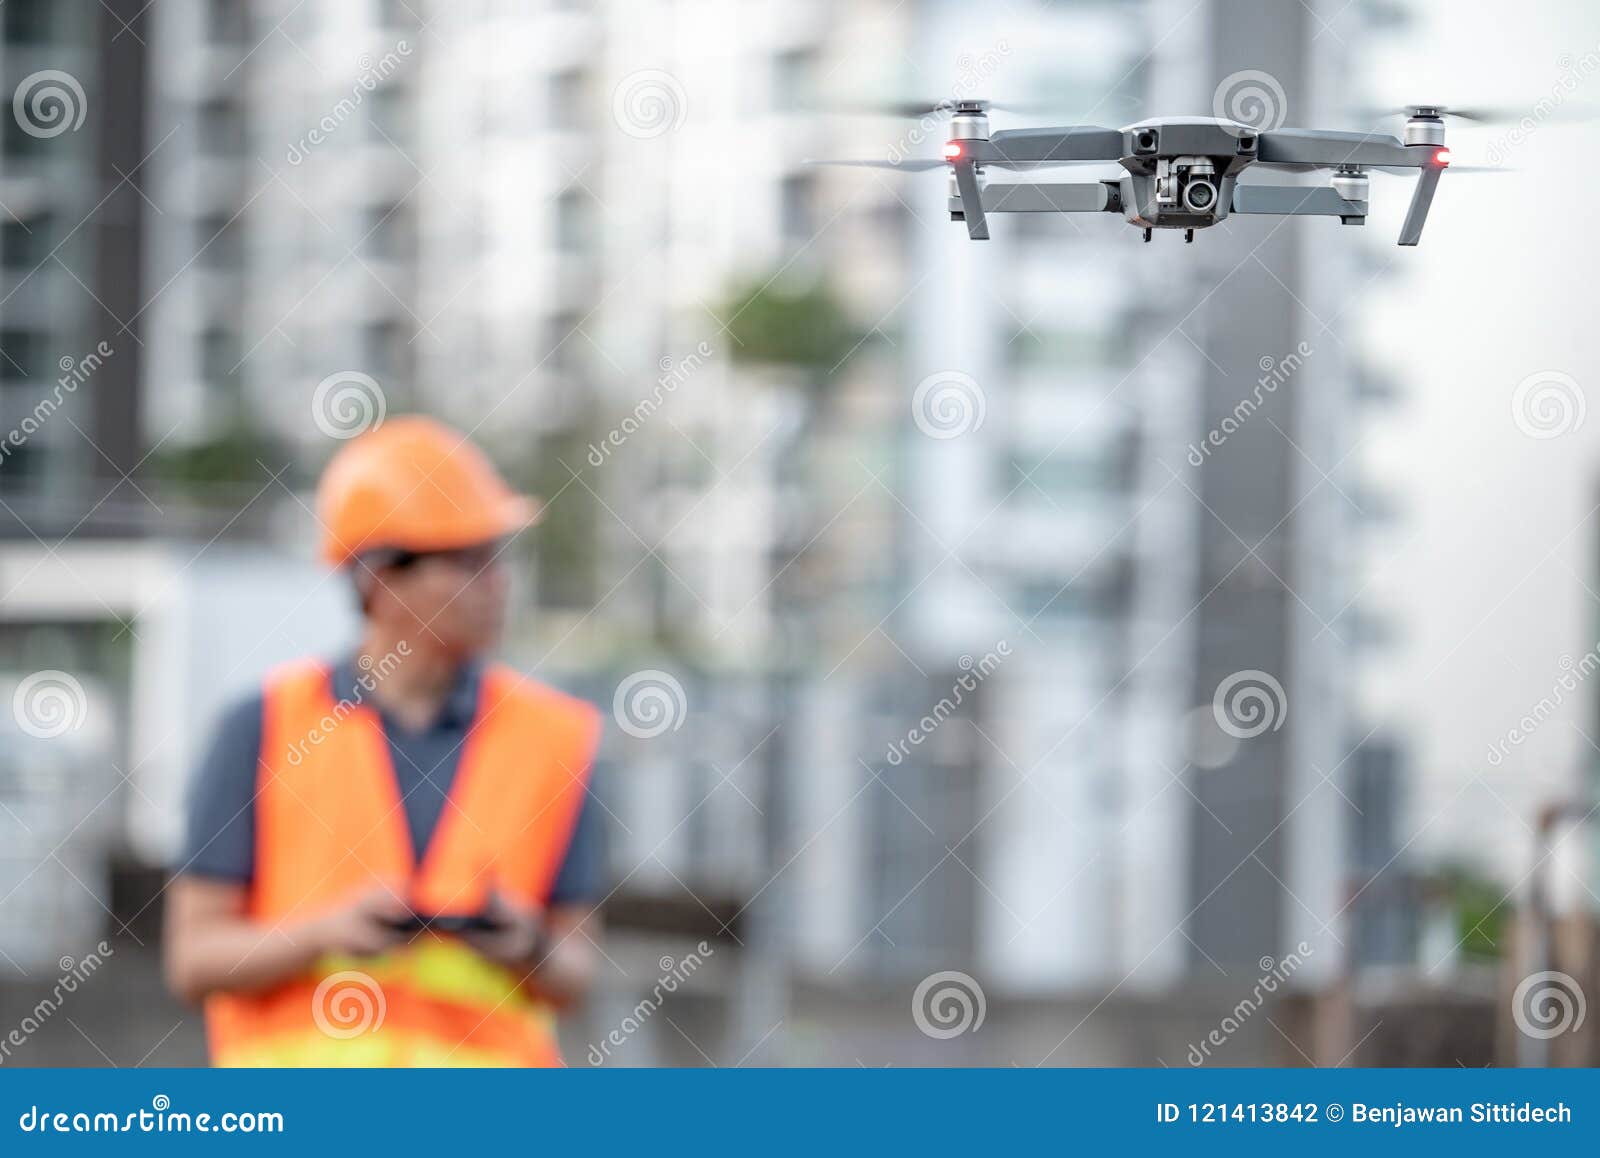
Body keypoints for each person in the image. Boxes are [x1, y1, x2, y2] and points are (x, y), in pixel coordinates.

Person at [164, 416, 604, 1066]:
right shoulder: (261, 727)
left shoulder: (556, 738)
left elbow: (578, 970)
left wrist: (529, 945)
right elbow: (193, 959)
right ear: (379, 578)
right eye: (468, 561)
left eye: (497, 558)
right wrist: (322, 934)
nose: (498, 583)